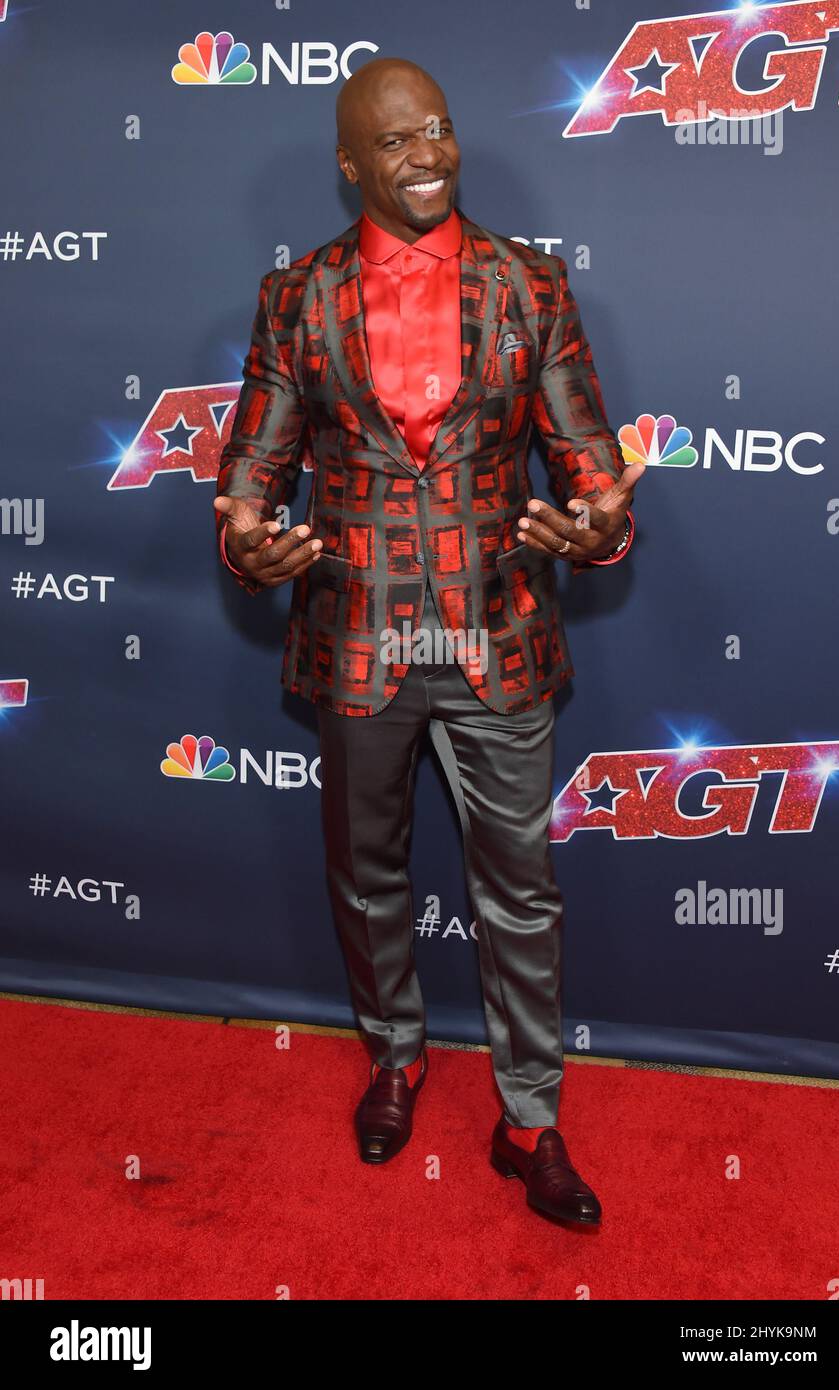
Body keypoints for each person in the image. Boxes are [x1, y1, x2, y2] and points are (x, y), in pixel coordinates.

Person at [214, 56, 643, 1225]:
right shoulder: (297, 297)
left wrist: (603, 520)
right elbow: (253, 464)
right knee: (366, 875)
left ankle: (530, 1119)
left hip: (496, 629)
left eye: (441, 132)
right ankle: (394, 1058)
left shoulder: (529, 285)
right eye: (398, 143)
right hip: (355, 631)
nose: (429, 157)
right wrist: (247, 541)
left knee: (520, 887)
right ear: (353, 164)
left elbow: (590, 457)